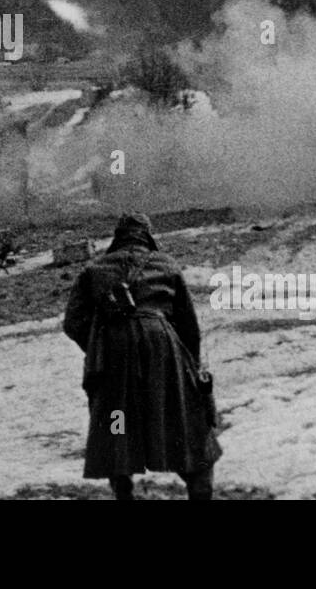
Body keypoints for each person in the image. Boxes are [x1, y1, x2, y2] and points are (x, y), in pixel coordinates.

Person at [63, 212, 221, 500]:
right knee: (183, 420)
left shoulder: (93, 269)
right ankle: (198, 487)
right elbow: (188, 327)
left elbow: (73, 322)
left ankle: (122, 490)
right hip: (163, 350)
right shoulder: (167, 265)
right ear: (148, 235)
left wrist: (101, 344)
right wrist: (192, 369)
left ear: (117, 237)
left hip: (113, 355)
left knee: (117, 420)